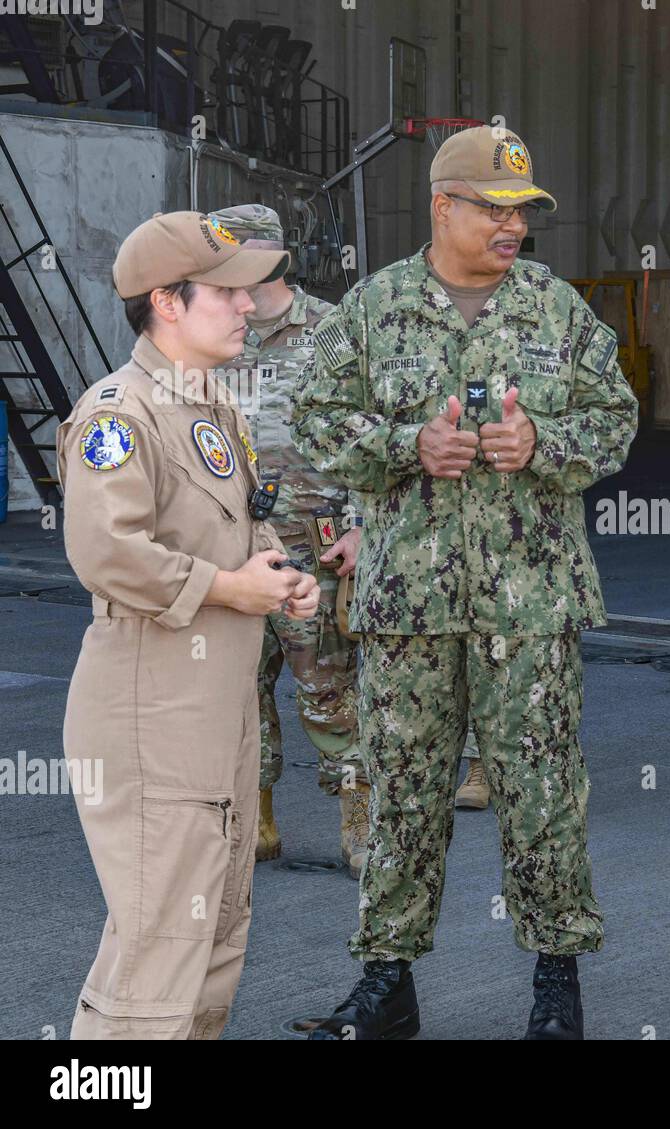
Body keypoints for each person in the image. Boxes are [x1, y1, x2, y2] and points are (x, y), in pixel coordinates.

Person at [292, 126, 637, 1040]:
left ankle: (556, 986)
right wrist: (405, 447)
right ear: (443, 204)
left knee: (542, 791)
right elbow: (316, 421)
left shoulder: (558, 311)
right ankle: (386, 984)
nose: (513, 225)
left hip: (531, 605)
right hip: (408, 602)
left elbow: (616, 420)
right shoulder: (373, 308)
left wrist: (544, 446)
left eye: (522, 210)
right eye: (494, 207)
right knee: (403, 791)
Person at [57, 211, 320, 1038]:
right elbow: (106, 550)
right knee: (157, 956)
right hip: (152, 717)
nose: (250, 306)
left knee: (213, 937)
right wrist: (227, 588)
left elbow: (244, 524)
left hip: (217, 713)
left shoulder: (212, 407)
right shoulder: (117, 414)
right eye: (228, 291)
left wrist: (278, 576)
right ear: (167, 302)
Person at [205, 204, 371, 878]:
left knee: (328, 689)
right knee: (237, 691)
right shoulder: (210, 335)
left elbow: (370, 428)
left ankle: (358, 822)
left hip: (314, 550)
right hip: (232, 550)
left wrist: (362, 521)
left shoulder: (331, 329)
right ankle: (258, 820)